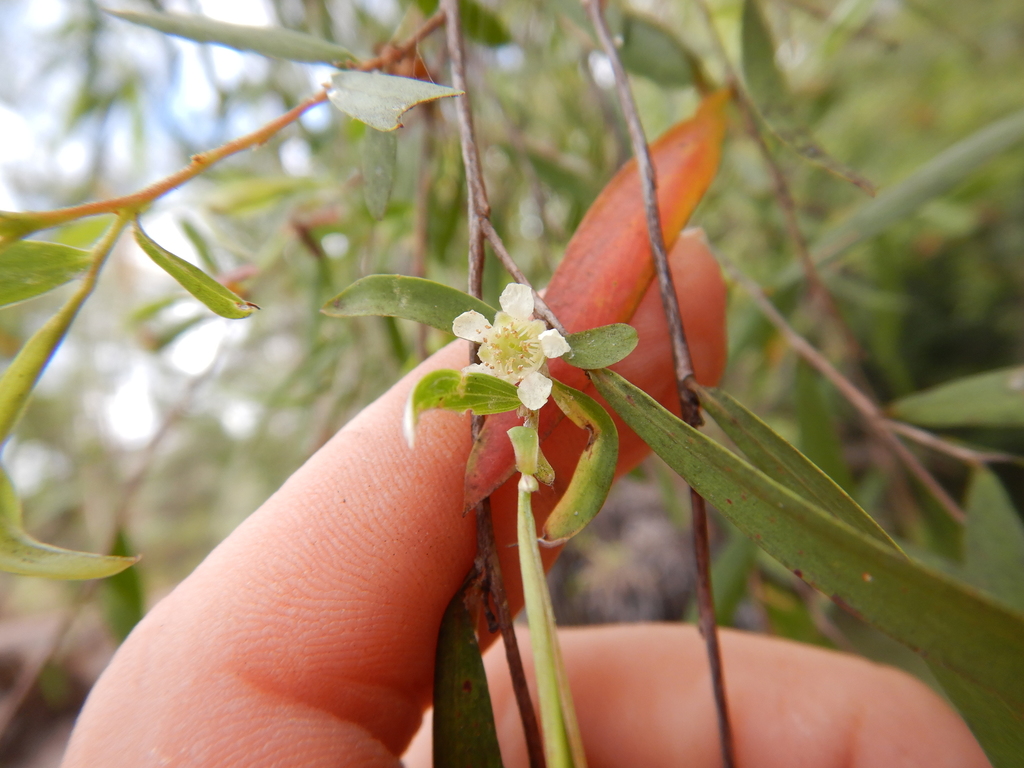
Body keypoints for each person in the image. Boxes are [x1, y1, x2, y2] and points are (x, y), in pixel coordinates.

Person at [61, 236, 988, 767]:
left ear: (523, 350)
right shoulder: (513, 368)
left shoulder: (538, 371)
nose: (504, 351)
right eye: (499, 350)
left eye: (510, 349)